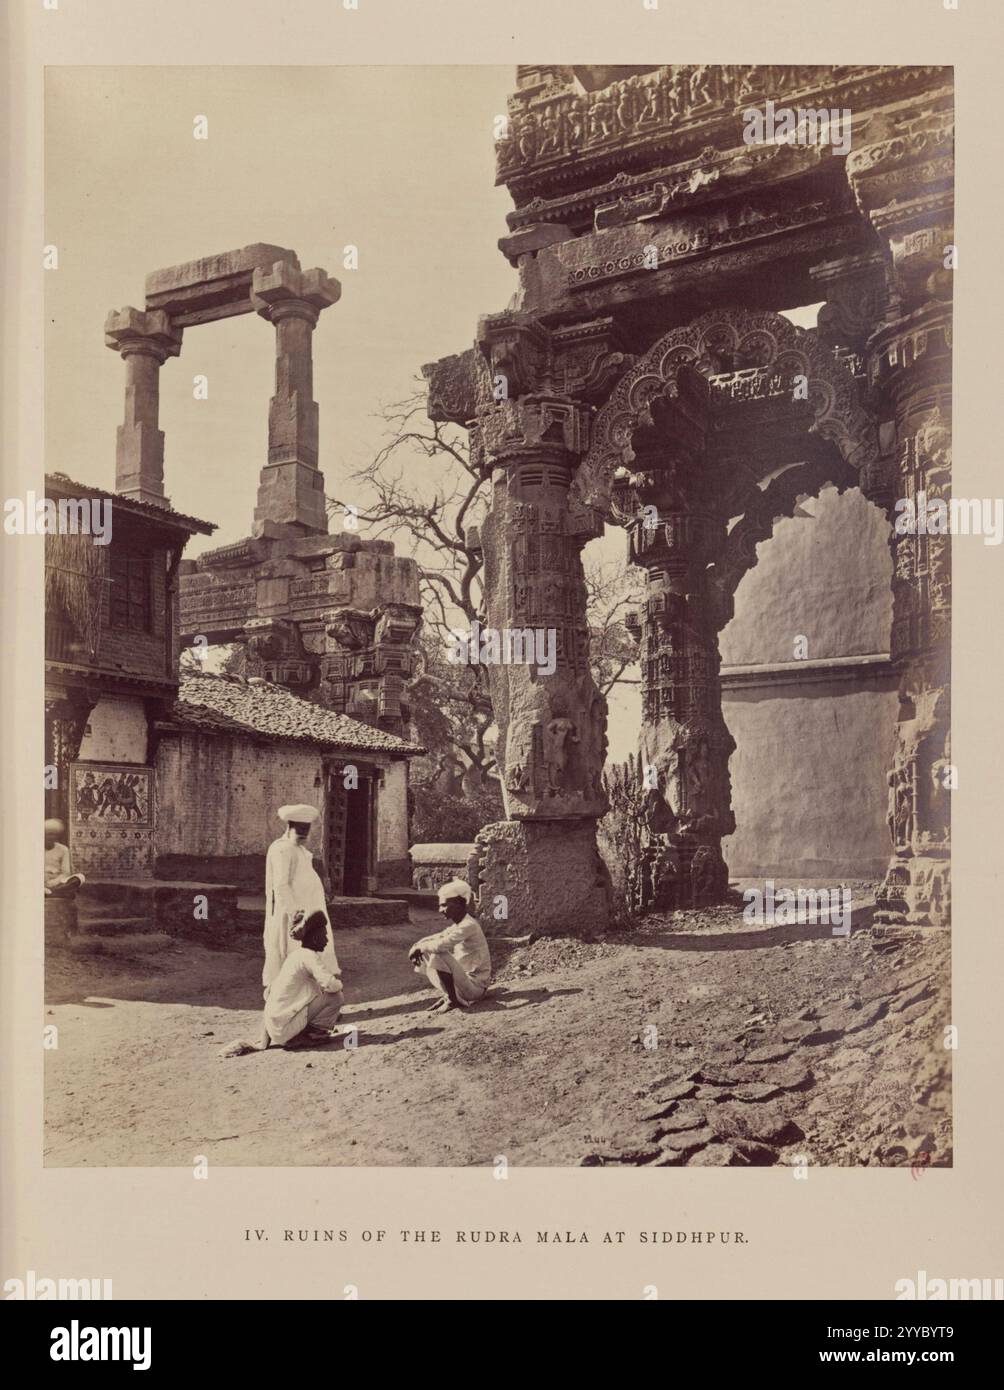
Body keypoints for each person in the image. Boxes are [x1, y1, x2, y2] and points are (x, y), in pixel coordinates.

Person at [262, 803, 335, 999]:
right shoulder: (282, 849)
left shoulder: (300, 850)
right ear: (289, 826)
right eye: (299, 829)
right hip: (294, 918)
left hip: (309, 915)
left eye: (307, 829)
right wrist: (297, 916)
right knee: (292, 960)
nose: (303, 833)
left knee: (311, 959)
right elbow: (281, 886)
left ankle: (308, 1004)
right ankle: (284, 1007)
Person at [258, 911, 345, 1049]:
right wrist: (339, 985)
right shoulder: (309, 957)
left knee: (322, 992)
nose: (327, 940)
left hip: (276, 1026)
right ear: (315, 938)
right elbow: (331, 985)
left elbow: (269, 993)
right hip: (285, 1029)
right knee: (336, 997)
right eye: (324, 935)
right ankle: (309, 1035)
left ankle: (305, 1031)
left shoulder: (295, 956)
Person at [409, 879, 491, 1014]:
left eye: (444, 905)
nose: (440, 910)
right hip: (465, 984)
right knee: (430, 948)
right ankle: (450, 995)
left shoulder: (468, 925)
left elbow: (442, 944)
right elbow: (439, 936)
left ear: (460, 903)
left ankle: (453, 1000)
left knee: (437, 952)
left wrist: (420, 948)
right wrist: (417, 946)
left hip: (475, 988)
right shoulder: (460, 924)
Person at [44, 820, 85, 899]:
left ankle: (50, 893)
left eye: (54, 834)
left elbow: (66, 873)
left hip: (57, 882)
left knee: (80, 877)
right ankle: (56, 893)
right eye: (49, 834)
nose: (51, 837)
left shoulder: (63, 849)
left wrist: (53, 882)